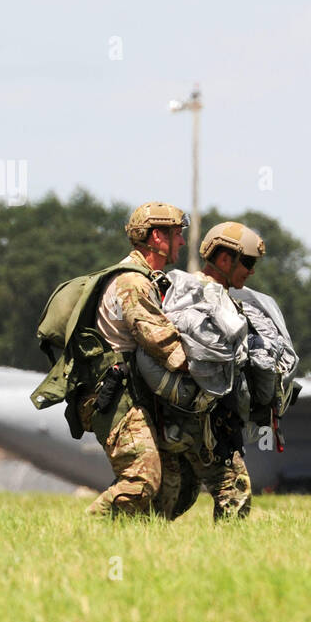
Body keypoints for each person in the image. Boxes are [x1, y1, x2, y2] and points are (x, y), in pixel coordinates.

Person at [80, 202, 192, 518]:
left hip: (136, 396)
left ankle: (140, 547)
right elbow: (158, 340)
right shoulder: (133, 281)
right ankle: (87, 532)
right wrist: (203, 368)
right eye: (177, 234)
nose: (182, 242)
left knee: (171, 480)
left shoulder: (148, 277)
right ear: (157, 236)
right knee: (142, 477)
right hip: (117, 398)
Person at [176, 220, 268, 521]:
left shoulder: (201, 292)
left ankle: (121, 534)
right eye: (248, 262)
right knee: (234, 489)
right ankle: (229, 555)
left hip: (195, 417)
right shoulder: (204, 295)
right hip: (202, 419)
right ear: (225, 259)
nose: (251, 270)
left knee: (171, 495)